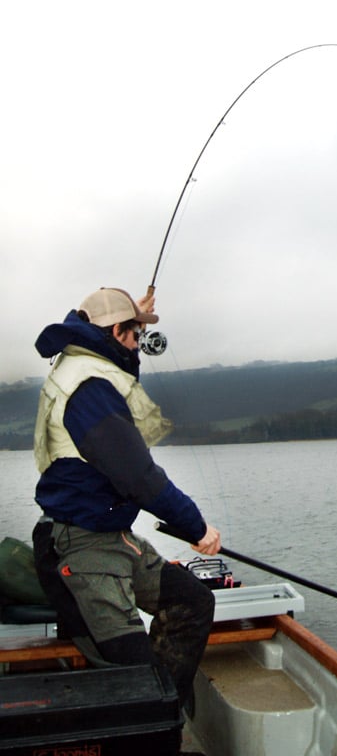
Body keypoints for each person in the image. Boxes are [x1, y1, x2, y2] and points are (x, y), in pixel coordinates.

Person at [32, 286, 221, 708]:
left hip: (115, 538)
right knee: (138, 680)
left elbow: (102, 333)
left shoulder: (85, 355)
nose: (139, 345)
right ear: (115, 333)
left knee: (192, 601)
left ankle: (167, 711)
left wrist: (132, 313)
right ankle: (156, 716)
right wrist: (197, 528)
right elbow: (139, 477)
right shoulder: (90, 391)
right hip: (81, 548)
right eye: (133, 334)